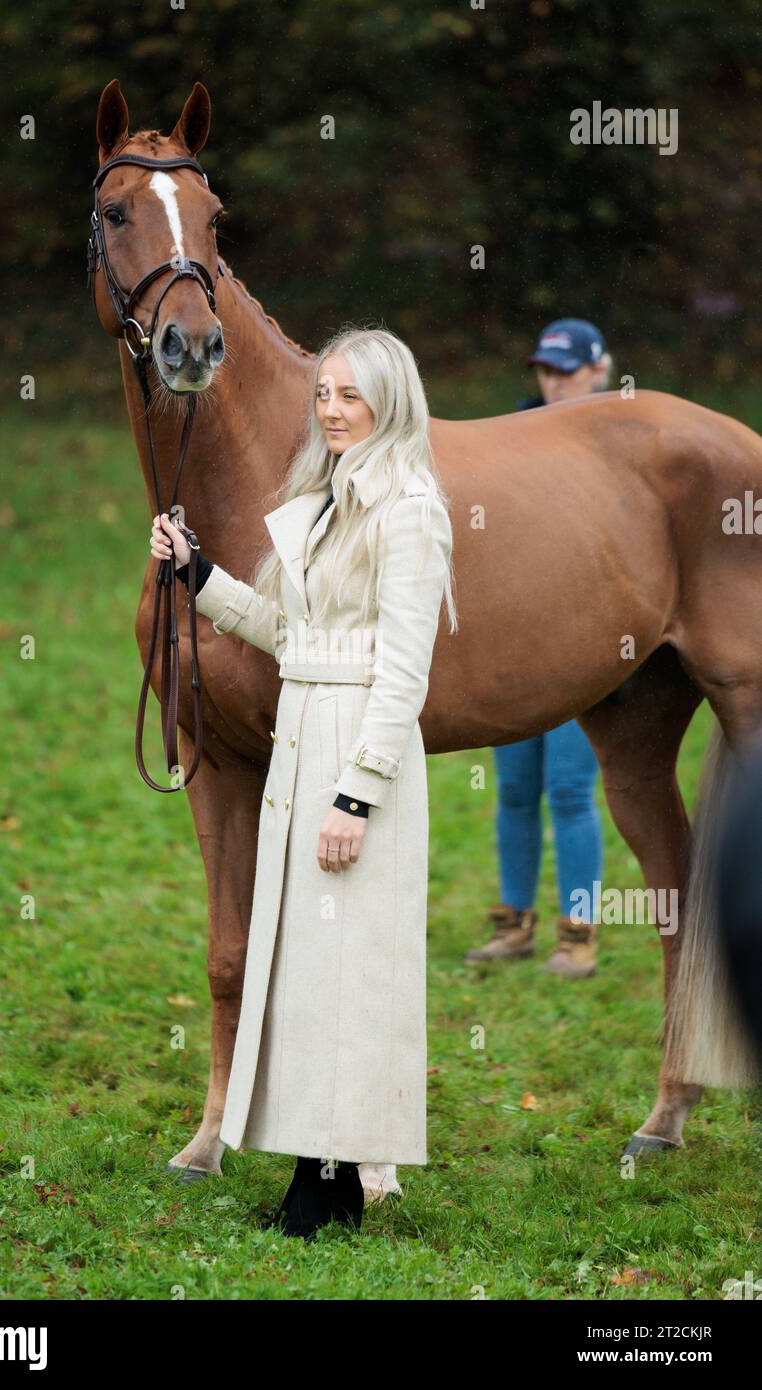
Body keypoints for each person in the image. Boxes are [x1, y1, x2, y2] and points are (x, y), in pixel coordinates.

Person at [153, 327, 457, 1238]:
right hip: (301, 734)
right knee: (307, 967)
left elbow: (406, 672)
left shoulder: (409, 507)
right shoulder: (322, 502)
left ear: (388, 403)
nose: (330, 410)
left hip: (359, 745)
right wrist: (198, 572)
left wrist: (358, 794)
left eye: (349, 397)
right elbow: (284, 630)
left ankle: (338, 1181)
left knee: (354, 965)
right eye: (322, 393)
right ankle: (316, 1172)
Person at [466, 319, 610, 978]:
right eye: (546, 370)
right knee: (516, 789)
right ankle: (513, 925)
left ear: (600, 370)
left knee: (571, 791)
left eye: (567, 369)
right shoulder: (512, 436)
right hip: (513, 643)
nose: (554, 382)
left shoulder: (625, 441)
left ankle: (578, 933)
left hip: (585, 648)